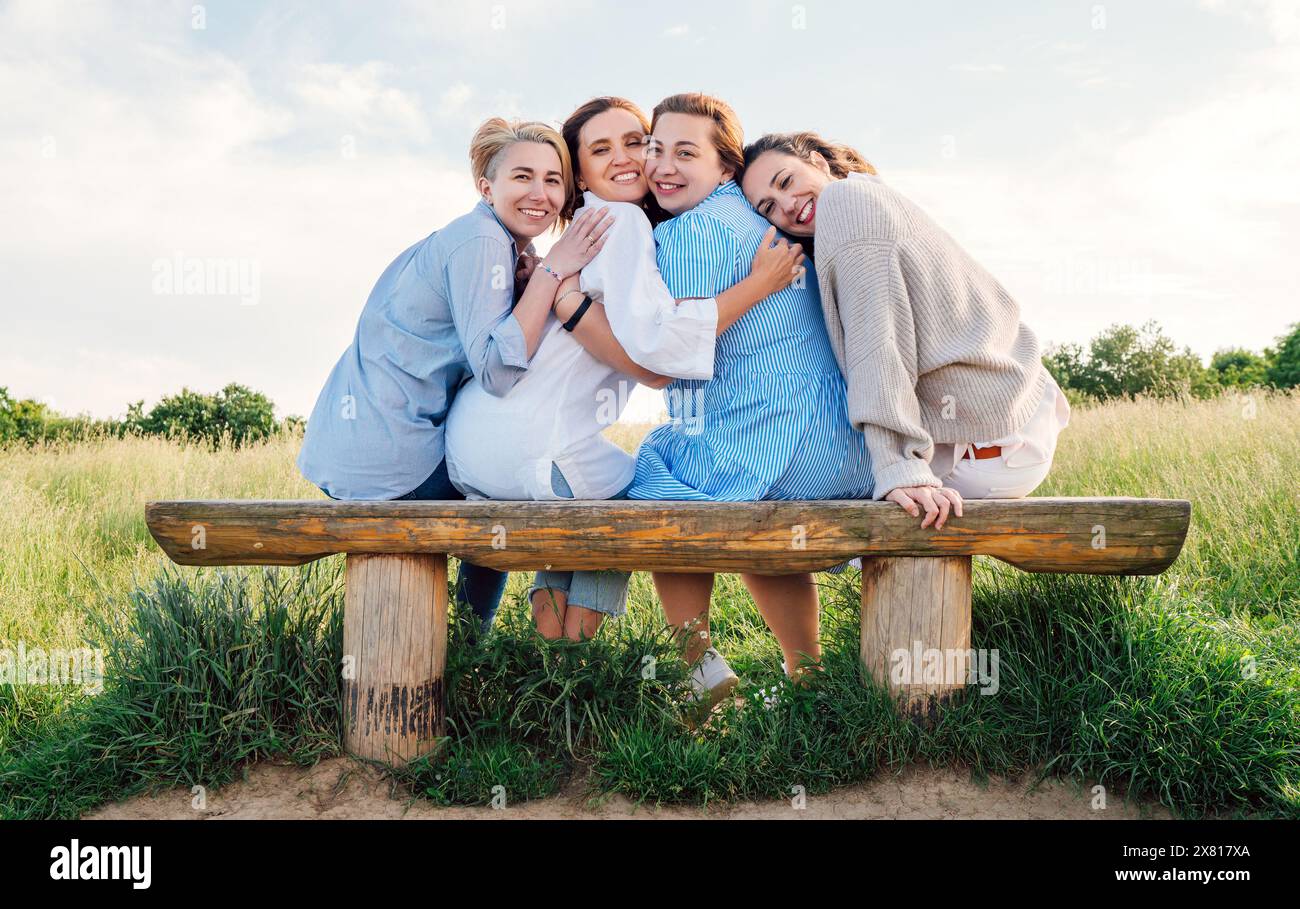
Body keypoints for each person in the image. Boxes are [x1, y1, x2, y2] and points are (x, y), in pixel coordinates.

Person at [445, 96, 803, 645]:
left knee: (586, 499)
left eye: (636, 142)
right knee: (636, 493)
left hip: (471, 447)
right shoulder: (625, 221)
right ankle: (612, 660)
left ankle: (554, 661)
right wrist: (758, 286)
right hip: (535, 450)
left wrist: (564, 298)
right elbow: (658, 356)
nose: (627, 158)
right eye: (600, 149)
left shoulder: (585, 232)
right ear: (579, 174)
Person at [297, 117, 612, 633]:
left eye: (554, 179)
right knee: (523, 484)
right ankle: (483, 646)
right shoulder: (481, 242)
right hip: (391, 460)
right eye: (522, 177)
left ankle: (465, 646)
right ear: (487, 188)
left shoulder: (479, 241)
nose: (541, 193)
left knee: (507, 479)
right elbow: (496, 371)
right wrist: (554, 270)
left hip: (353, 447)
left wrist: (528, 282)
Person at [625, 94, 875, 707]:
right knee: (748, 484)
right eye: (656, 149)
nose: (663, 166)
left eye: (687, 152)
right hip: (842, 458)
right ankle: (807, 673)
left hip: (775, 457)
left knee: (659, 468)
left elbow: (672, 355)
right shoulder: (770, 220)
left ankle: (695, 661)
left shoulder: (687, 233)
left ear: (725, 169)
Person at [741, 132, 1070, 530]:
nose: (788, 207)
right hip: (1018, 416)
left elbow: (878, 344)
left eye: (786, 181)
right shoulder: (866, 195)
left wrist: (899, 467)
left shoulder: (844, 203)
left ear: (818, 163)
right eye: (769, 207)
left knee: (786, 489)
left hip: (993, 446)